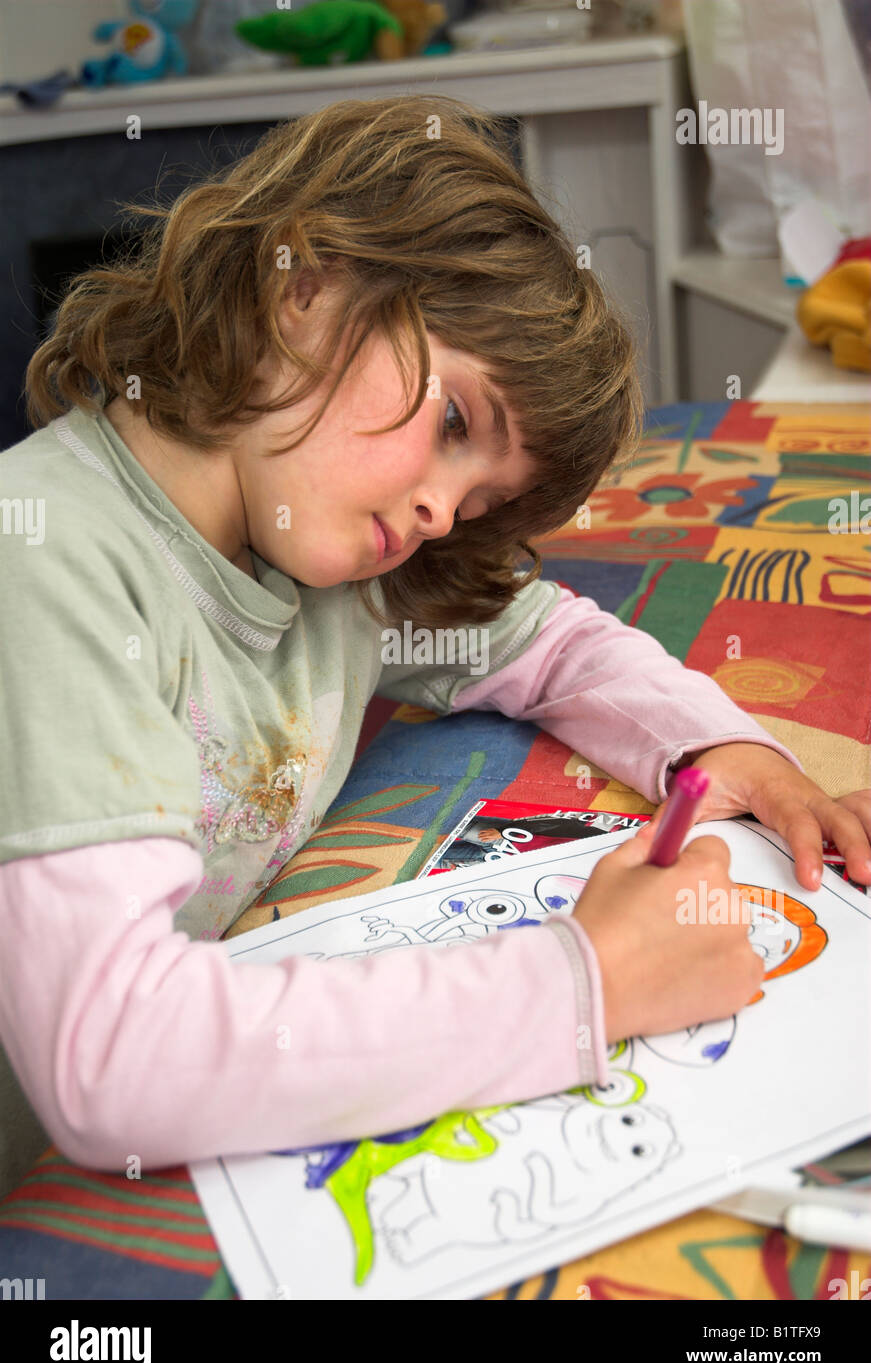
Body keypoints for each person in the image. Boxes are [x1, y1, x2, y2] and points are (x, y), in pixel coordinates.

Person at [1, 95, 868, 1200]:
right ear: (302, 282)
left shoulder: (327, 558)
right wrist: (581, 980)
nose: (439, 514)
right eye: (456, 424)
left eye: (477, 500)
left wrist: (724, 751)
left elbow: (549, 639)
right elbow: (106, 1061)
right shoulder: (47, 558)